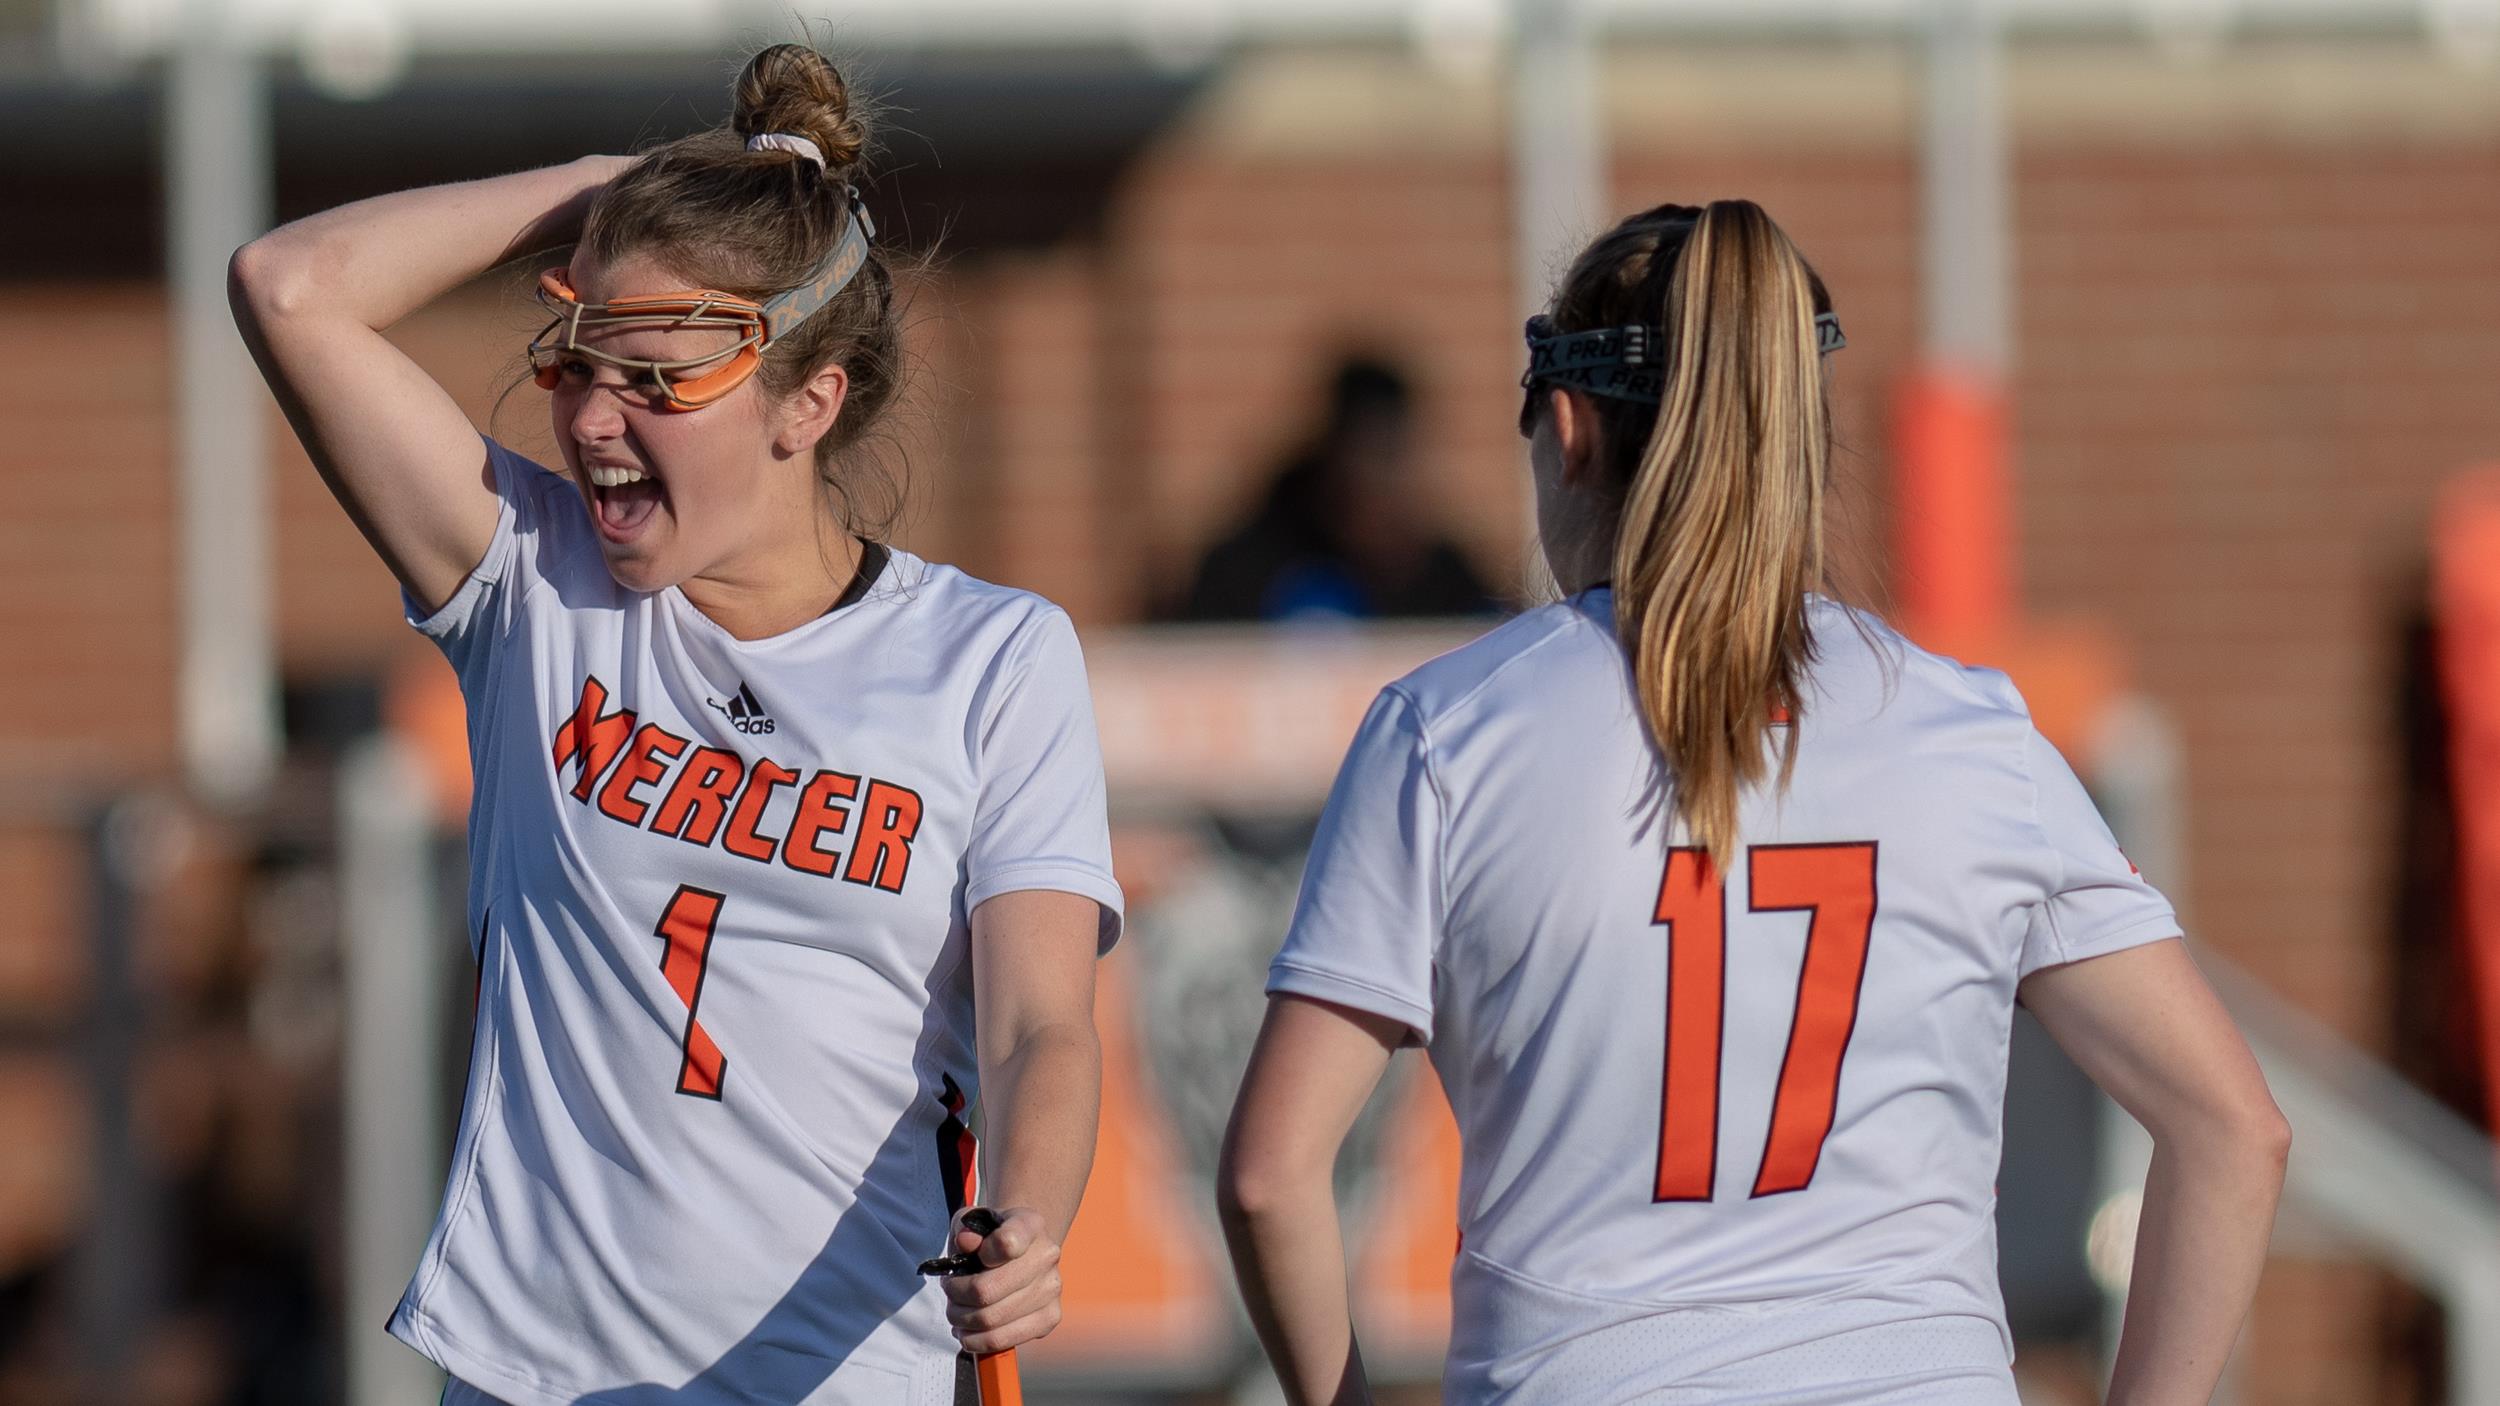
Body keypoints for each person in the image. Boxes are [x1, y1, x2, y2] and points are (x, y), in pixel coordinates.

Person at [1217, 200, 2289, 1404]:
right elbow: (2231, 1130)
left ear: (1568, 432)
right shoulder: (1973, 734)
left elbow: (1270, 1173)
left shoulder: (1447, 730)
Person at [230, 45, 1121, 1405]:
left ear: (807, 404)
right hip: (543, 1378)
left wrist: (1035, 1218)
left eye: (655, 380)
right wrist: (612, 189)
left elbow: (1039, 1025)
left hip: (845, 1375)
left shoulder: (993, 658)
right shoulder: (529, 585)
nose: (592, 420)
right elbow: (288, 288)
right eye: (579, 362)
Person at [1177, 357, 1497, 622]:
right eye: (1376, 455)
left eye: (1400, 457)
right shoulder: (1249, 569)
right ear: (1333, 459)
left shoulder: (1445, 577)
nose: (1392, 483)